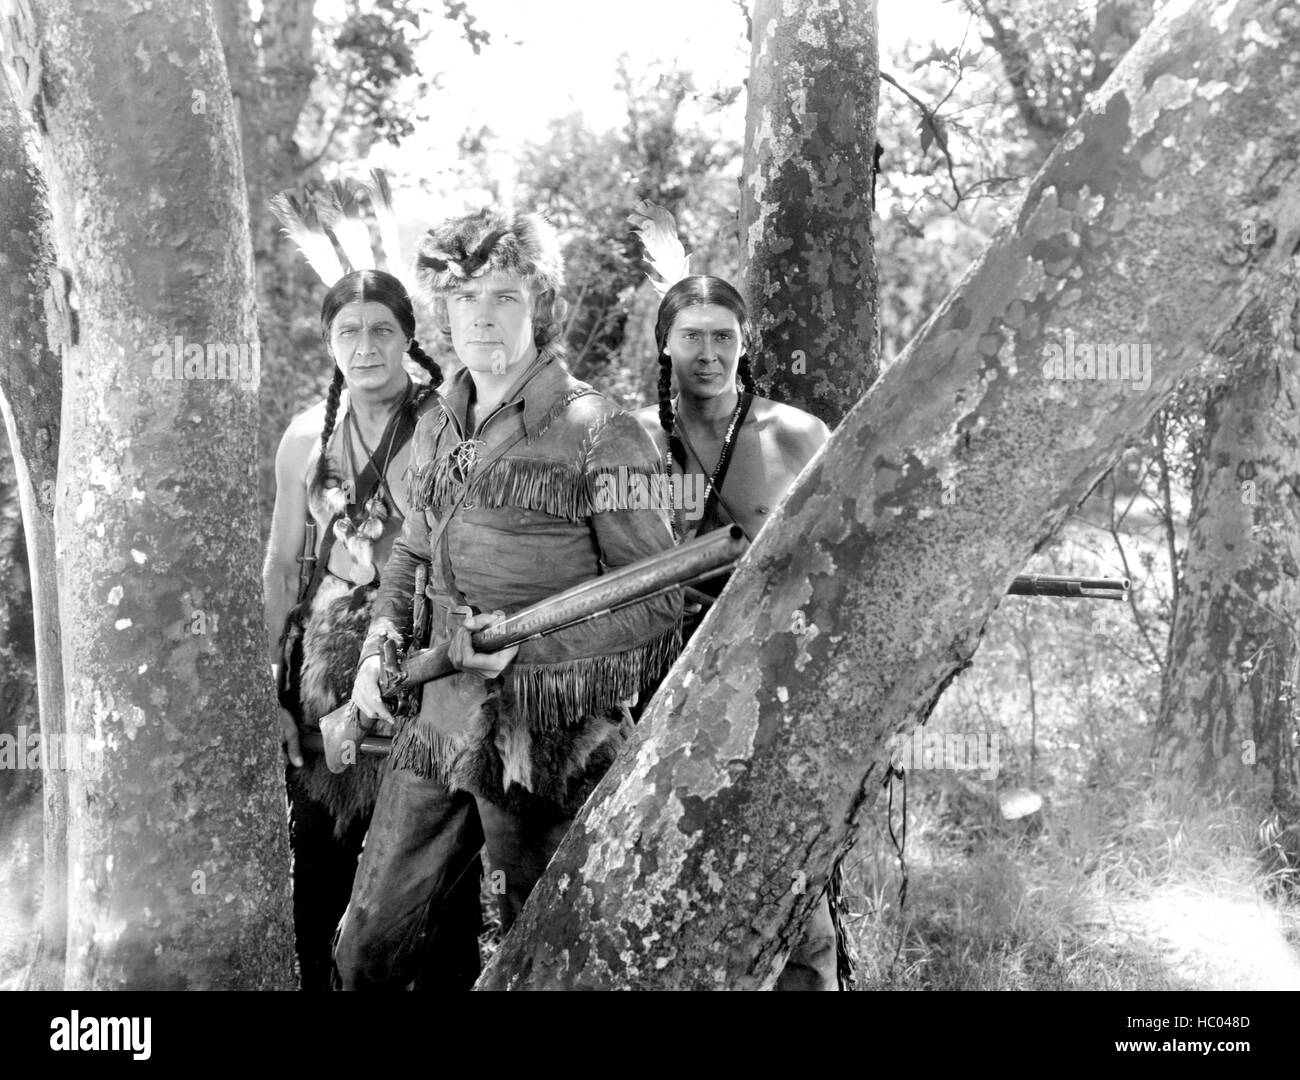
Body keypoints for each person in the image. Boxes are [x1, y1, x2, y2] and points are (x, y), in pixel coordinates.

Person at [332, 208, 681, 989]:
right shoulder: (436, 426)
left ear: (540, 305)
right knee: (365, 951)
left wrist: (530, 654)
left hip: (549, 738)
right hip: (436, 718)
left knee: (550, 954)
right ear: (443, 314)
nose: (481, 317)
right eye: (464, 300)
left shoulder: (601, 428)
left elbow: (657, 604)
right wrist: (375, 652)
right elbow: (410, 556)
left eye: (503, 296)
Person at [263, 269, 481, 990]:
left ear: (408, 339)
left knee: (434, 879)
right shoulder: (305, 439)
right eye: (348, 332)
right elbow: (279, 571)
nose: (365, 347)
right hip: (323, 675)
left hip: (422, 661)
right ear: (329, 344)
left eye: (381, 330)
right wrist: (270, 691)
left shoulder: (445, 425)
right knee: (323, 871)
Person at [632, 274, 840, 991]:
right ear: (664, 343)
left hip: (771, 684)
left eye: (724, 336)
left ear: (744, 342)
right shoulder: (628, 440)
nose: (709, 353)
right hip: (658, 688)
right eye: (692, 335)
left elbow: (835, 564)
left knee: (785, 873)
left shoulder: (798, 434)